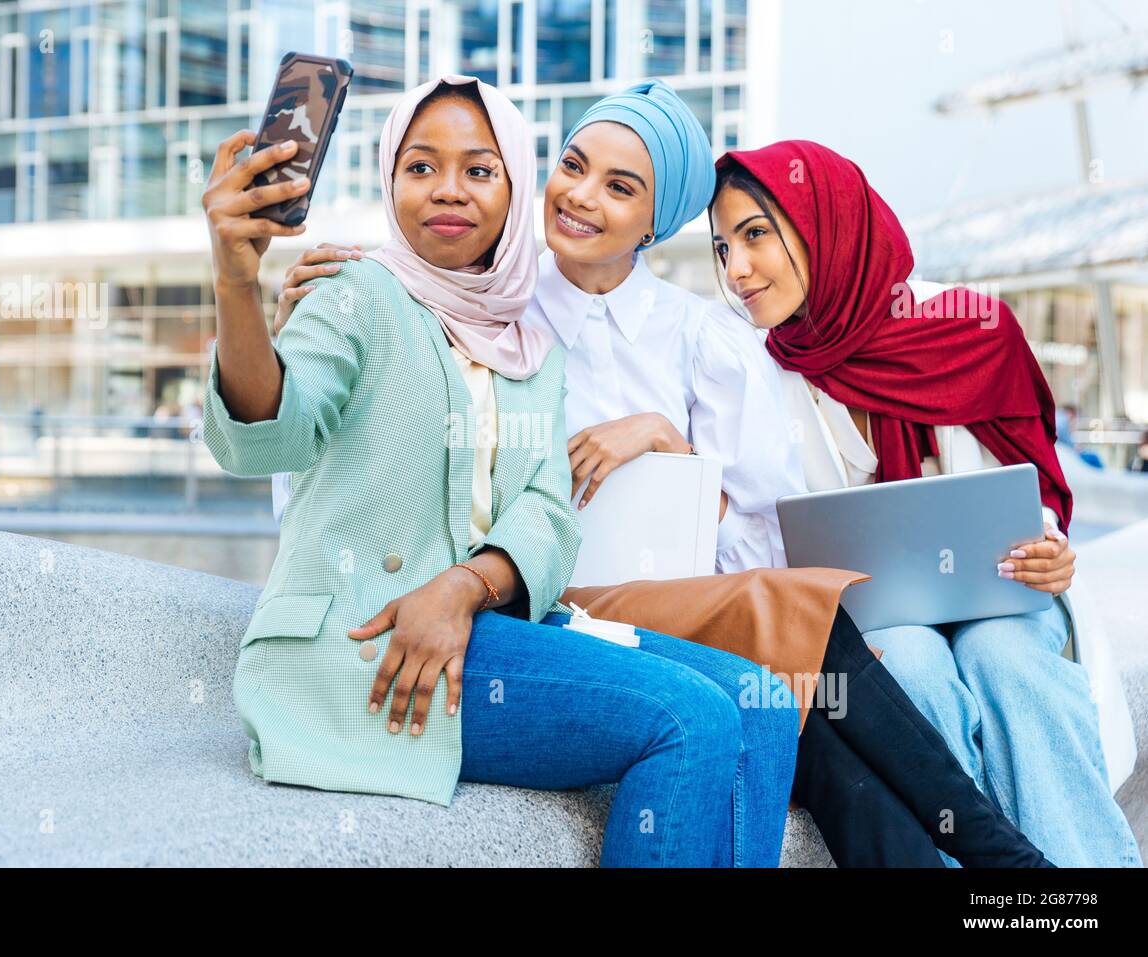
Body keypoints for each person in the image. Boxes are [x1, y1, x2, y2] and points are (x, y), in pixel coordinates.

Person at [273, 82, 1053, 867]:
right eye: (573, 165)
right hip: (551, 601)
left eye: (620, 187)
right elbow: (325, 462)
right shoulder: (496, 306)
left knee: (815, 742)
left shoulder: (703, 335)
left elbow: (752, 529)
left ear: (656, 221)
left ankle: (998, 859)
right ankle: (1005, 856)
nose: (581, 196)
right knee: (787, 658)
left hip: (683, 604)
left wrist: (667, 448)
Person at [201, 73, 800, 867]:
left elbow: (547, 510)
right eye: (420, 166)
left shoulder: (525, 343)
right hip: (366, 644)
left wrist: (464, 585)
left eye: (479, 170)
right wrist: (236, 282)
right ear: (389, 179)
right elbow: (269, 440)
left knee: (766, 707)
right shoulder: (352, 290)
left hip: (483, 623)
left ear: (513, 187)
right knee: (691, 718)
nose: (448, 189)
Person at [709, 138, 1141, 868]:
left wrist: (1047, 546)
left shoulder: (970, 327)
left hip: (1001, 591)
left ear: (826, 225)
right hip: (875, 619)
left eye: (755, 235)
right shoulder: (758, 370)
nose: (736, 270)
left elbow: (1035, 485)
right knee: (909, 672)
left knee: (1010, 663)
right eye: (722, 248)